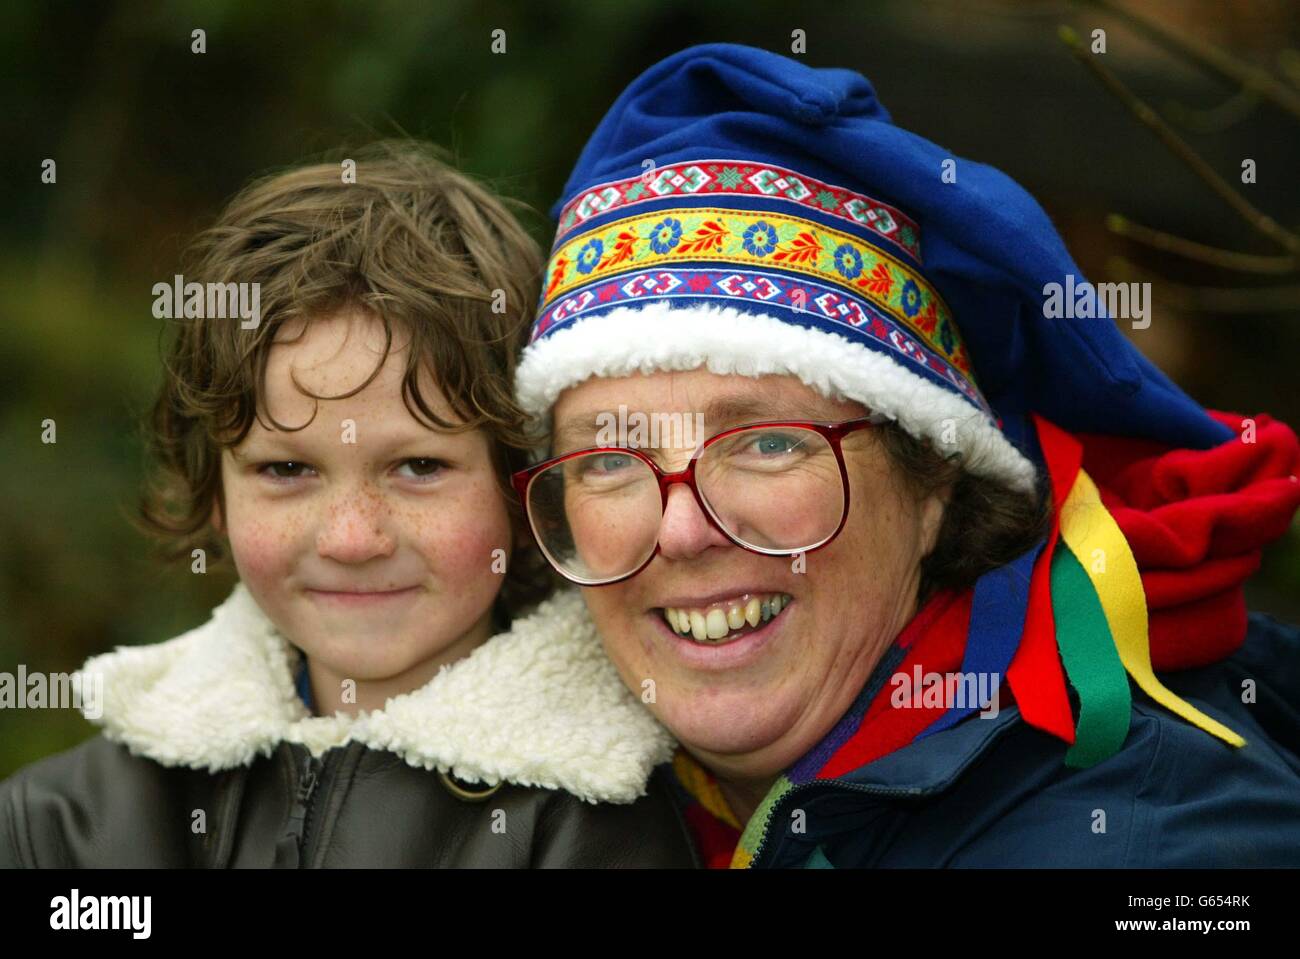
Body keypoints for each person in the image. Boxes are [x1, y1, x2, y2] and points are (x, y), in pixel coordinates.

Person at [510, 44, 1300, 868]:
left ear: (934, 481)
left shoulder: (1161, 847)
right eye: (606, 458)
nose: (679, 528)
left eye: (768, 442)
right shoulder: (539, 794)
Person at [0, 142, 694, 868]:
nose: (351, 537)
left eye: (419, 466)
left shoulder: (609, 812)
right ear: (214, 495)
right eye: (288, 468)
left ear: (526, 494)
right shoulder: (65, 827)